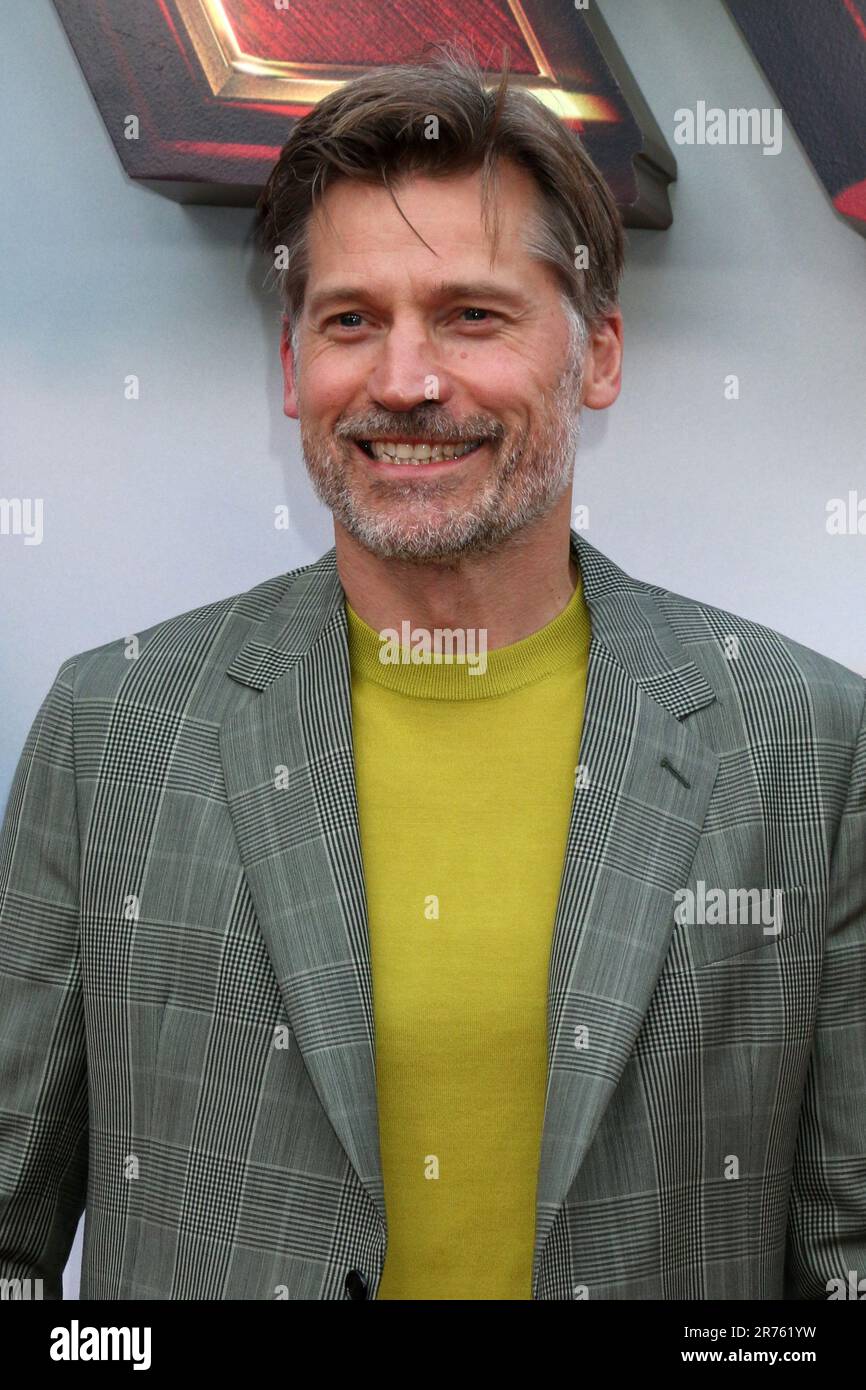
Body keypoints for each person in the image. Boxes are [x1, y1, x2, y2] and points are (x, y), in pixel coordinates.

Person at [0, 48, 863, 1303]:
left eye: (471, 315)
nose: (404, 382)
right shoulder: (110, 728)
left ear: (596, 356)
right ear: (292, 368)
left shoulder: (808, 744)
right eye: (351, 320)